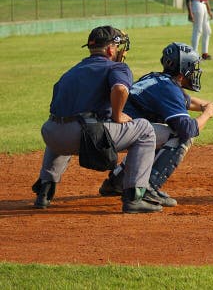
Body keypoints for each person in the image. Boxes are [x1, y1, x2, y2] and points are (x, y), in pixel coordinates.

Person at [32, 26, 162, 213]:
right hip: (81, 136)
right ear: (110, 49)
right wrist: (117, 115)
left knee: (65, 124)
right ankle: (134, 197)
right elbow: (120, 89)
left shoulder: (72, 71)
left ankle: (44, 191)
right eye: (117, 47)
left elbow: (58, 106)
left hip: (51, 134)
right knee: (145, 129)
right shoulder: (117, 67)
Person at [97, 42, 213, 207]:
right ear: (183, 71)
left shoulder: (155, 78)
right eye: (193, 68)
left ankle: (117, 181)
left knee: (156, 131)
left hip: (106, 128)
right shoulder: (169, 90)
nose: (195, 72)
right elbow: (187, 130)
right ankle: (149, 187)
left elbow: (187, 102)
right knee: (178, 135)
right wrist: (207, 114)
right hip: (115, 134)